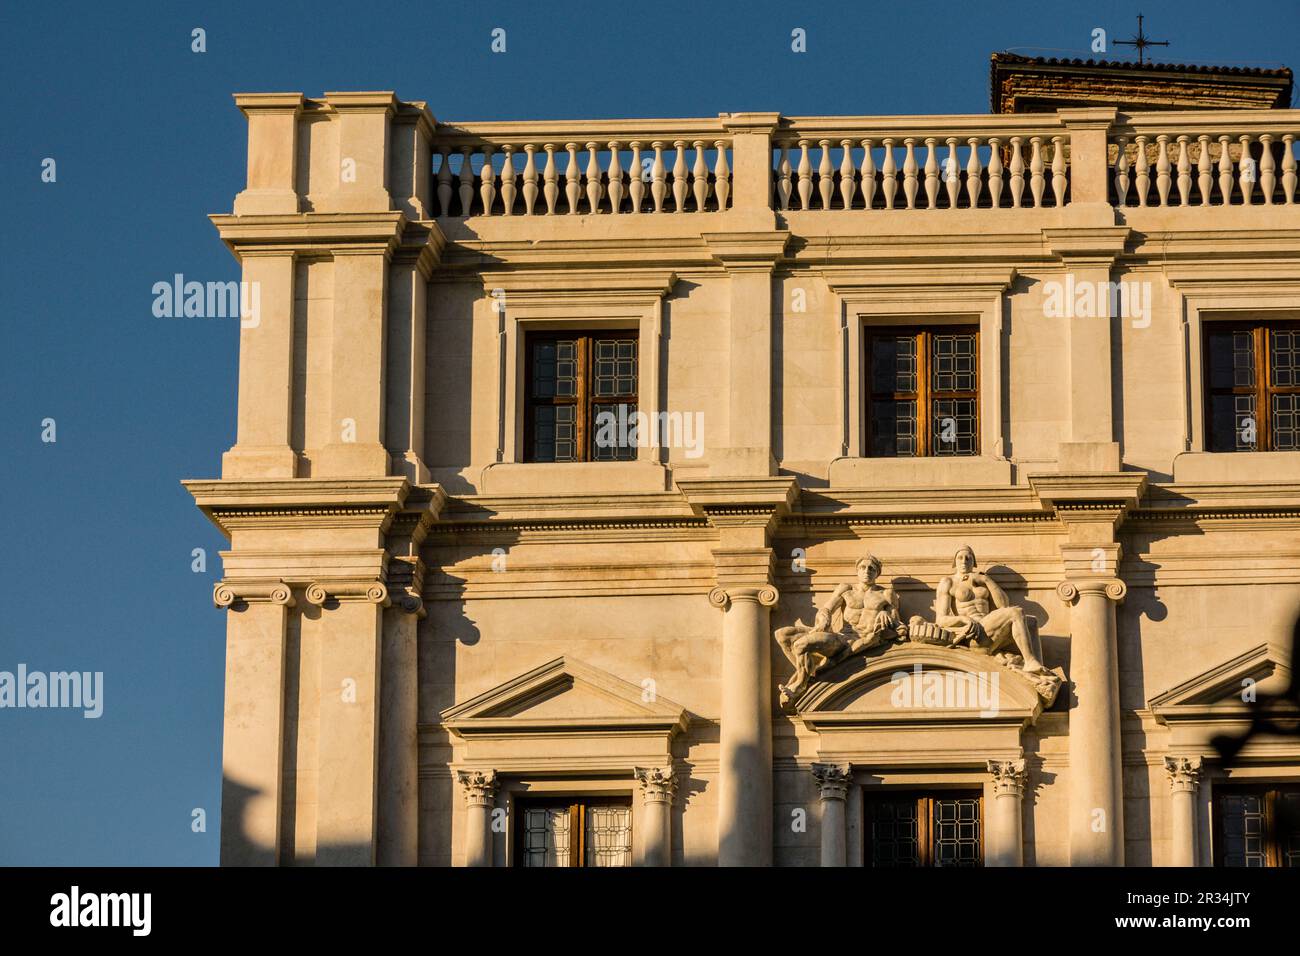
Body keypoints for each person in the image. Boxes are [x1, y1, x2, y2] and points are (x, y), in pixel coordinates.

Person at [775, 554, 906, 704]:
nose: (867, 571)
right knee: (783, 635)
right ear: (857, 571)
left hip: (864, 638)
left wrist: (885, 613)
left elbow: (898, 625)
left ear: (877, 573)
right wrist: (823, 619)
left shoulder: (886, 594)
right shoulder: (846, 589)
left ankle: (799, 684)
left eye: (872, 568)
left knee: (801, 644)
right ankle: (809, 672)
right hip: (844, 636)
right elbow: (826, 608)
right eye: (863, 567)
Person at [934, 546, 1047, 674]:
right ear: (955, 562)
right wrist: (963, 619)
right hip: (973, 635)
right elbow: (940, 620)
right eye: (960, 558)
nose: (964, 561)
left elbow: (1003, 605)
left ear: (973, 562)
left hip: (987, 628)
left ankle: (1038, 670)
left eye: (968, 558)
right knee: (1016, 612)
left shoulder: (982, 580)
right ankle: (1030, 661)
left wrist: (986, 580)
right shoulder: (948, 582)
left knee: (1031, 623)